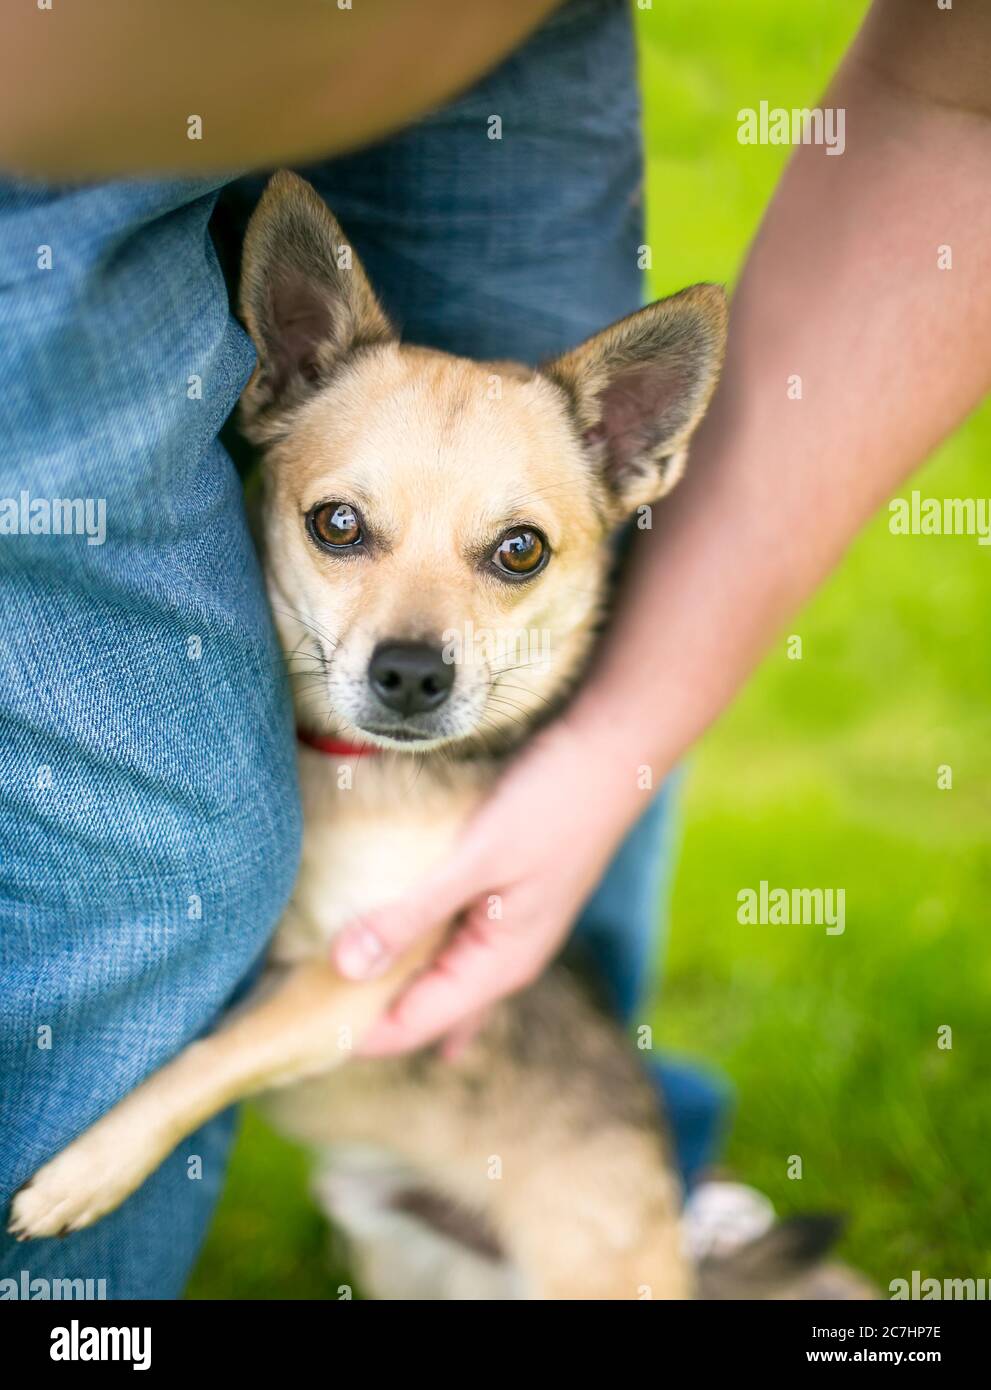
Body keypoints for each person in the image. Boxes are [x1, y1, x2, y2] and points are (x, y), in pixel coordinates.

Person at [1, 0, 988, 1298]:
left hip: (510, 42)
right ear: (279, 379)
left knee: (547, 852)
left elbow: (959, 99)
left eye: (509, 551)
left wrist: (614, 746)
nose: (419, 640)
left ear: (633, 453)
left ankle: (644, 1187)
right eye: (348, 526)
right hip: (76, 91)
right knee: (143, 872)